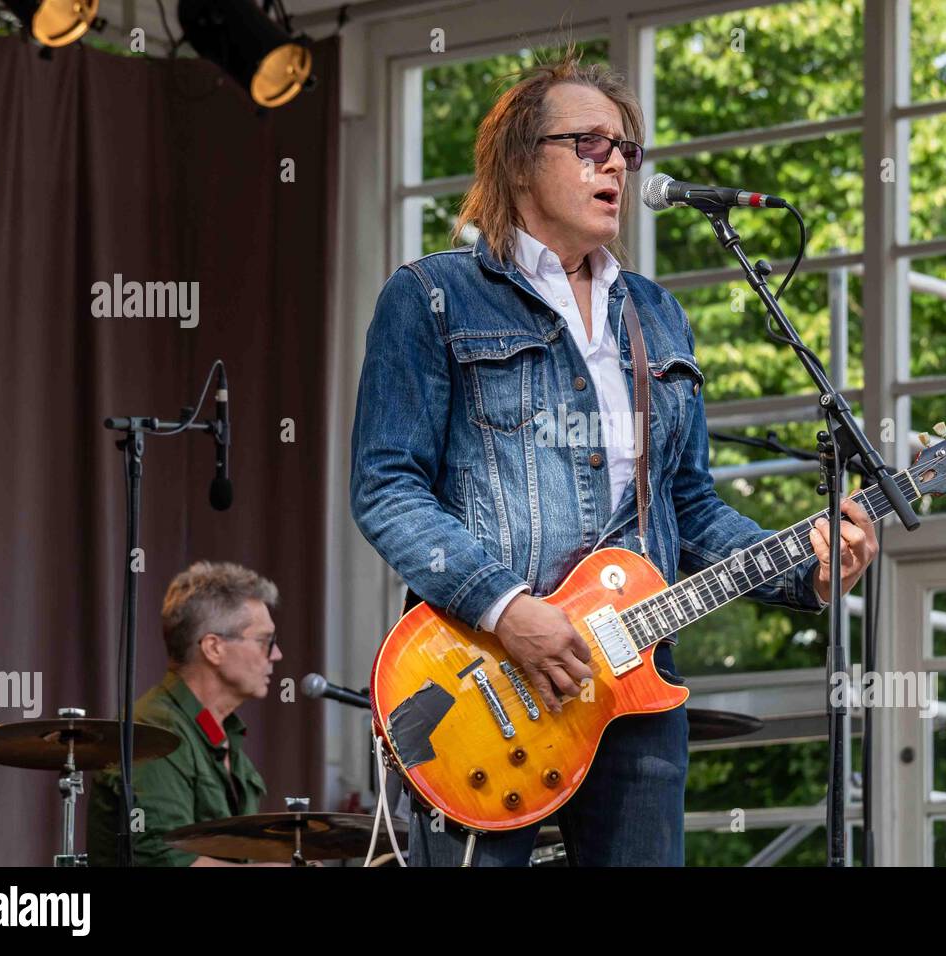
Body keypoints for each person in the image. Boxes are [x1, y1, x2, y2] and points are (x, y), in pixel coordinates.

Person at [350, 45, 878, 867]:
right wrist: (505, 606)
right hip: (479, 687)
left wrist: (803, 568)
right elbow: (386, 488)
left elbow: (688, 507)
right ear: (522, 163)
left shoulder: (657, 316)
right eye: (589, 145)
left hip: (635, 693)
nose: (617, 166)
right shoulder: (431, 296)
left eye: (626, 150)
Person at [86, 561, 283, 866]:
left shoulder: (223, 733)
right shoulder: (153, 730)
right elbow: (163, 860)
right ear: (213, 648)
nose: (276, 654)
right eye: (264, 641)